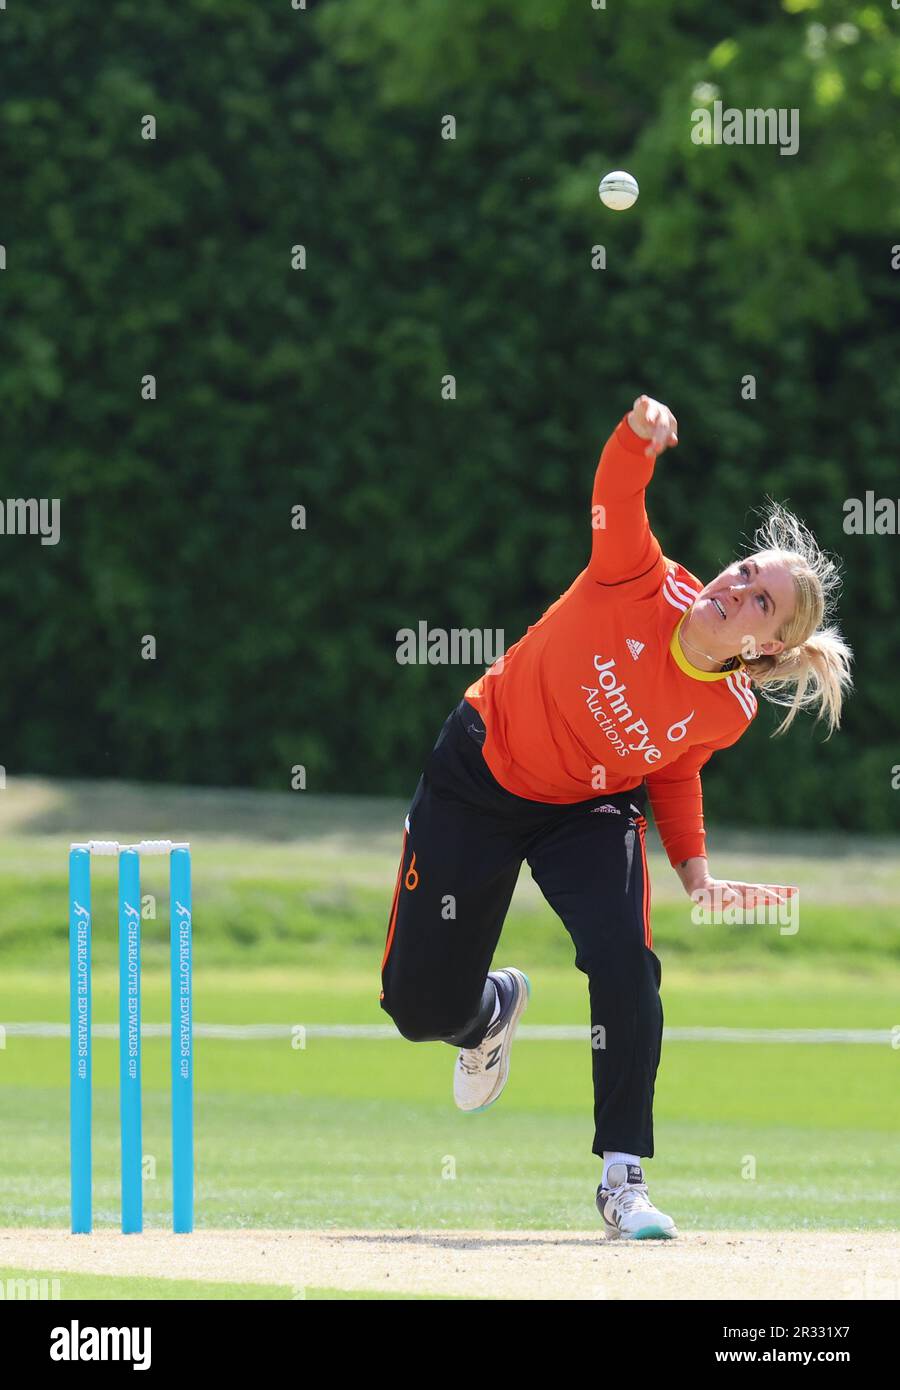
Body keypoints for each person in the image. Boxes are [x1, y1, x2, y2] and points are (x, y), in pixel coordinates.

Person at [379, 395, 853, 1239]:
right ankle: (488, 1013)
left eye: (759, 603)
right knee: (417, 1008)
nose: (737, 588)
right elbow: (616, 493)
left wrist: (695, 872)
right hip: (479, 772)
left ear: (764, 650)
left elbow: (675, 765)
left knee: (626, 962)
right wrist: (637, 439)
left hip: (587, 809)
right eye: (745, 572)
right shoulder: (636, 577)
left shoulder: (731, 709)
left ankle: (623, 1181)